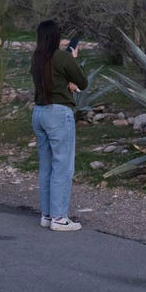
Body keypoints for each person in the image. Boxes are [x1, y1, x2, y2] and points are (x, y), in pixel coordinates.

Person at [30, 19, 88, 232]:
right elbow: (83, 82)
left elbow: (51, 82)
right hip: (58, 114)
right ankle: (59, 218)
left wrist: (66, 84)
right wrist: (74, 60)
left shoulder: (36, 58)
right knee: (63, 166)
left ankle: (47, 214)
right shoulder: (62, 58)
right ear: (55, 36)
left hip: (39, 113)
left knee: (46, 166)